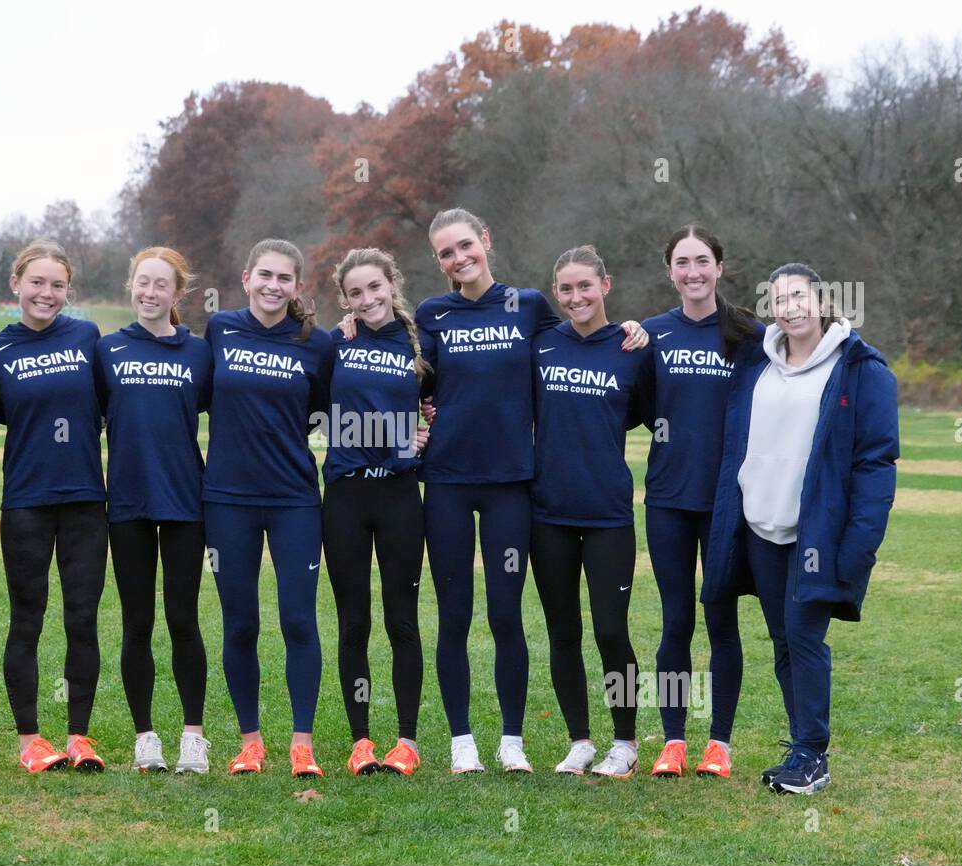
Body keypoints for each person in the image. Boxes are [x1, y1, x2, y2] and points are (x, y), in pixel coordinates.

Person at [353, 208, 647, 774]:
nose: (458, 258)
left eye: (465, 245)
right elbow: (405, 366)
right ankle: (463, 742)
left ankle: (512, 741)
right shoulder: (434, 314)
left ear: (485, 241)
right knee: (456, 615)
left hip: (514, 484)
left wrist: (632, 329)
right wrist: (351, 327)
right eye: (445, 253)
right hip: (447, 483)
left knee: (507, 616)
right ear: (438, 262)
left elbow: (584, 336)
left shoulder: (530, 305)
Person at [703, 262, 898, 793]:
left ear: (822, 300)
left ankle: (813, 756)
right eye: (779, 299)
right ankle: (802, 747)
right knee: (784, 642)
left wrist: (857, 547)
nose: (789, 307)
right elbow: (701, 312)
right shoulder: (757, 362)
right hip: (761, 528)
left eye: (798, 296)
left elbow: (876, 465)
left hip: (817, 536)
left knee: (805, 638)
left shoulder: (861, 369)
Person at [202, 239, 335, 778]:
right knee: (240, 624)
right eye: (265, 275)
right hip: (227, 500)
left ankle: (302, 744)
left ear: (297, 287)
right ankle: (250, 742)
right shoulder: (220, 330)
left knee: (299, 620)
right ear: (246, 277)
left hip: (294, 500)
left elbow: (330, 410)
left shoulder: (317, 343)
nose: (273, 286)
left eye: (285, 278)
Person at [640, 224, 763, 780]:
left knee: (721, 620)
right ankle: (672, 741)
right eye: (682, 263)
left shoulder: (748, 333)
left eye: (702, 261)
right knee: (675, 621)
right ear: (670, 271)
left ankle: (719, 743)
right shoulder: (648, 335)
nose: (693, 272)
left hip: (726, 502)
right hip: (667, 498)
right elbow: (618, 400)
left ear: (719, 266)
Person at [530, 245, 653, 779]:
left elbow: (645, 415)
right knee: (562, 631)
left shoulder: (632, 349)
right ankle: (579, 741)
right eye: (565, 288)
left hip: (607, 514)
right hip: (548, 513)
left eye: (585, 285)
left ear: (607, 284)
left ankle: (624, 742)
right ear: (556, 293)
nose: (575, 296)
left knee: (609, 630)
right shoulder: (540, 346)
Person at [0, 240, 107, 774]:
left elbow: (109, 402)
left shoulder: (86, 336)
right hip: (27, 503)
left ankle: (79, 736)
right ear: (17, 285)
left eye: (57, 285)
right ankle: (31, 739)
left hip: (85, 500)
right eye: (37, 282)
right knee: (27, 621)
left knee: (83, 619)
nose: (47, 293)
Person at [95, 247, 213, 773]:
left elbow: (234, 408)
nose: (149, 292)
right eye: (142, 282)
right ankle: (146, 737)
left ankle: (193, 736)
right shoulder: (108, 351)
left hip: (186, 501)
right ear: (131, 284)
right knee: (137, 623)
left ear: (177, 293)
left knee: (184, 620)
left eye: (160, 285)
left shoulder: (200, 353)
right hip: (127, 503)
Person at [323, 248, 430, 776]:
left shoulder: (420, 342)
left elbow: (448, 403)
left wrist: (426, 430)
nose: (367, 300)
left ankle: (406, 742)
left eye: (374, 287)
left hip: (399, 497)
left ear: (392, 282)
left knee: (401, 621)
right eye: (355, 293)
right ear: (345, 300)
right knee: (354, 623)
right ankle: (361, 741)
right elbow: (314, 409)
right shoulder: (336, 344)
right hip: (345, 496)